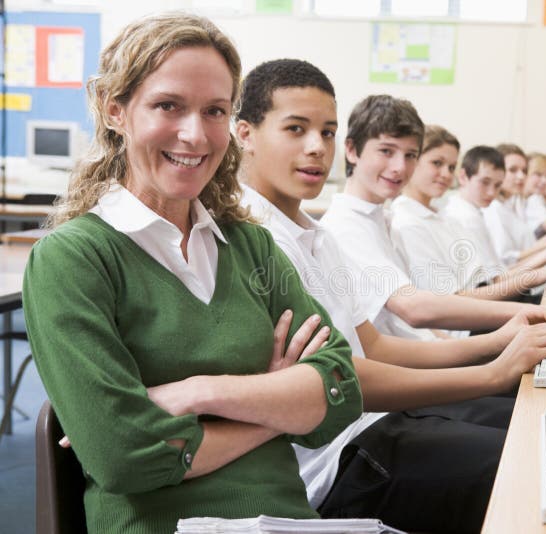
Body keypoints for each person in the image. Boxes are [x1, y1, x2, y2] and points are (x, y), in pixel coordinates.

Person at [22, 14, 361, 534]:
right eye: (168, 106)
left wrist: (201, 393)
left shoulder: (250, 245)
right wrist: (273, 401)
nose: (195, 134)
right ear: (117, 110)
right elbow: (125, 457)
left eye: (215, 111)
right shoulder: (73, 260)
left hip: (292, 523)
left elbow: (340, 390)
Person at [234, 58, 546, 533]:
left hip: (375, 425)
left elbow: (371, 347)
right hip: (340, 462)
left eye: (327, 132)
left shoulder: (319, 234)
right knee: (539, 463)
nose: (317, 147)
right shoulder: (256, 239)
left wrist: (500, 339)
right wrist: (492, 366)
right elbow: (340, 375)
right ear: (245, 134)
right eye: (295, 129)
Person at [319, 94, 546, 339]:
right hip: (425, 364)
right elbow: (420, 310)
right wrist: (534, 309)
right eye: (386, 151)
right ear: (352, 150)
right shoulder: (363, 226)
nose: (399, 166)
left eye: (409, 155)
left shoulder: (387, 220)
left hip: (436, 349)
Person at [391, 126, 546, 304]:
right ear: (412, 161)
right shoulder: (410, 222)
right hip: (465, 324)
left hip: (476, 310)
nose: (446, 174)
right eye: (437, 163)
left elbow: (488, 280)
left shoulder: (444, 217)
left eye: (451, 167)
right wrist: (539, 273)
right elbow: (459, 299)